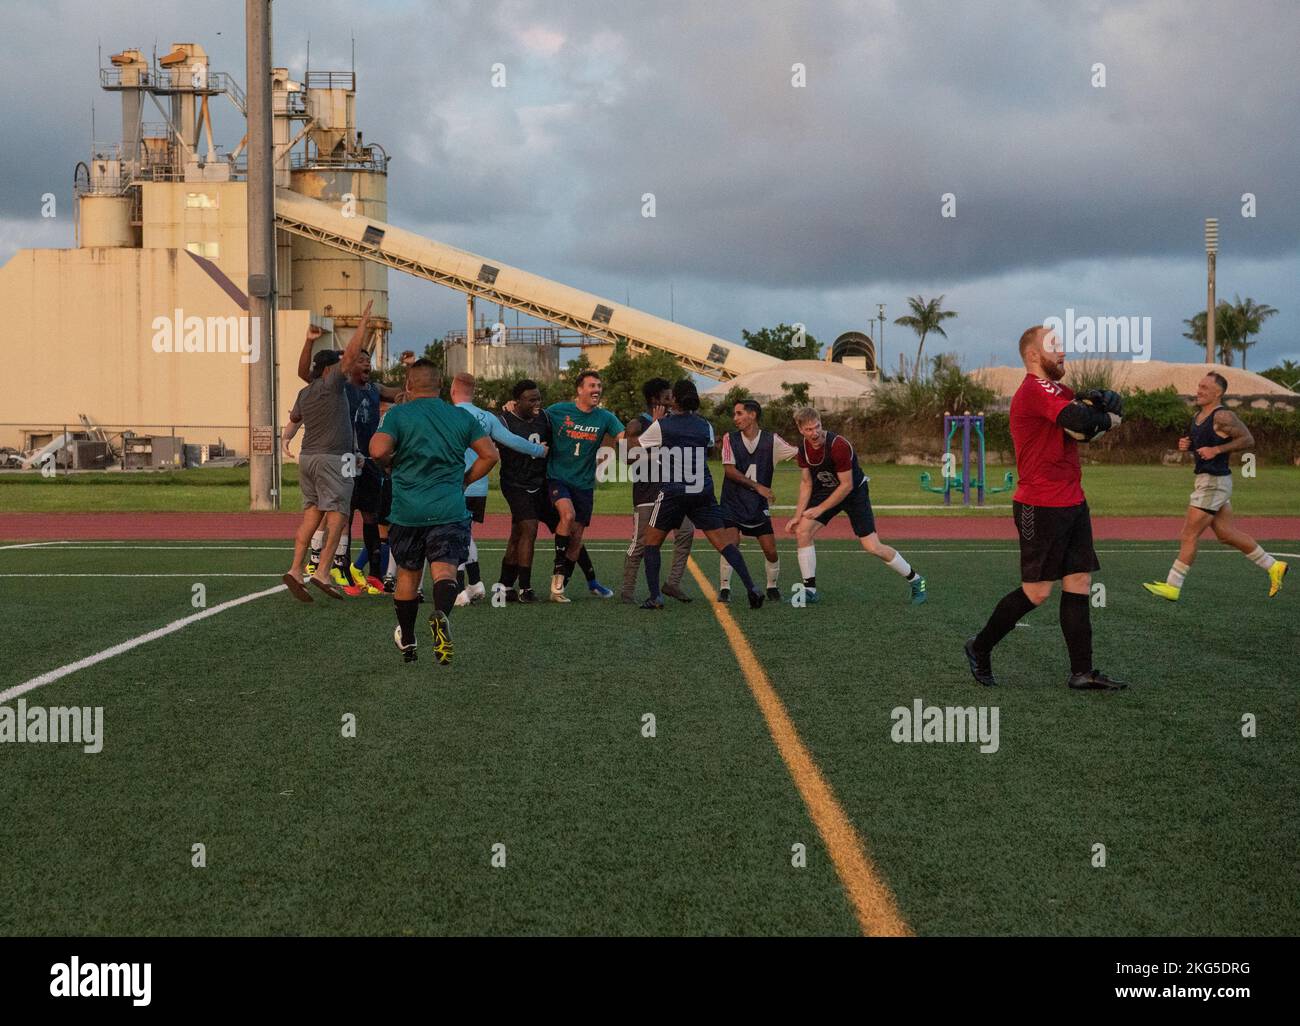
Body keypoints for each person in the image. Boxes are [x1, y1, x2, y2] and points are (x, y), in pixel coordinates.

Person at [964, 325, 1126, 691]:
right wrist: (1108, 417)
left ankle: (1081, 672)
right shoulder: (1034, 390)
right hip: (1040, 504)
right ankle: (979, 646)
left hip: (1072, 500)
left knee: (1080, 581)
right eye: (1055, 347)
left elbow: (1086, 433)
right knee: (1037, 592)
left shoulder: (1061, 391)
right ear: (1033, 354)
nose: (1063, 353)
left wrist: (1102, 420)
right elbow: (1082, 422)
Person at [370, 359, 498, 664]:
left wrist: (389, 464)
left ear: (409, 385)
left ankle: (408, 637)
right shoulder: (459, 416)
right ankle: (441, 614)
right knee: (444, 571)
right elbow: (490, 455)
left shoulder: (398, 414)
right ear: (441, 386)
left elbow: (376, 450)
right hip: (449, 507)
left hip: (407, 510)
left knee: (408, 575)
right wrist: (465, 480)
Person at [1143, 372, 1287, 601]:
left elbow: (1248, 439)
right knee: (1226, 534)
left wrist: (1217, 450)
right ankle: (1274, 565)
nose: (1198, 390)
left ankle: (1173, 586)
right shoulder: (1197, 417)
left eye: (1204, 387)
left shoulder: (1224, 417)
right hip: (1208, 480)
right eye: (1198, 386)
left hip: (1213, 482)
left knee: (1189, 533)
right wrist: (1186, 445)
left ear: (1218, 392)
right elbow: (1201, 446)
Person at [634, 379, 765, 610]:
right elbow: (706, 448)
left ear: (675, 400)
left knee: (651, 543)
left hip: (673, 492)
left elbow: (639, 446)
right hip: (701, 490)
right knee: (724, 544)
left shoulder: (663, 424)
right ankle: (752, 588)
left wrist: (655, 423)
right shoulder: (705, 425)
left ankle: (655, 597)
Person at [787, 407, 927, 606]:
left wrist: (820, 509)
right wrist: (797, 514)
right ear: (800, 429)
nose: (814, 432)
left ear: (821, 423)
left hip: (854, 493)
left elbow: (847, 485)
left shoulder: (838, 445)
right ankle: (809, 590)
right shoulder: (803, 449)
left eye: (817, 426)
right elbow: (806, 483)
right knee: (802, 531)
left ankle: (917, 581)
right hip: (827, 490)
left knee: (872, 546)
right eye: (809, 429)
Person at [280, 304, 373, 601]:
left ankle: (295, 569)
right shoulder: (333, 384)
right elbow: (350, 355)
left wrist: (308, 341)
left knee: (311, 516)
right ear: (330, 370)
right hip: (336, 458)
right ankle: (322, 571)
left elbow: (294, 420)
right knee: (339, 516)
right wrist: (363, 323)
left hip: (308, 458)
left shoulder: (305, 391)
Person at [495, 379, 605, 602]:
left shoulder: (545, 417)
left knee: (568, 528)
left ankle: (506, 586)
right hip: (515, 484)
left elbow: (566, 424)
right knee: (529, 528)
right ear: (516, 402)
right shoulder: (504, 420)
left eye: (539, 398)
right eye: (532, 399)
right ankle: (525, 587)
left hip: (542, 483)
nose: (538, 403)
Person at [448, 372, 548, 606]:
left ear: (453, 391)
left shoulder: (448, 415)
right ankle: (475, 583)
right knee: (465, 532)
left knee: (455, 535)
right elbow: (512, 440)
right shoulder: (486, 417)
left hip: (453, 484)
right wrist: (538, 451)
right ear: (473, 392)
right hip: (478, 486)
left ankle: (461, 588)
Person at [543, 370, 626, 603]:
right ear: (579, 389)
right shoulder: (558, 410)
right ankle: (558, 572)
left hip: (585, 484)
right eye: (592, 385)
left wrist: (647, 436)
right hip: (558, 478)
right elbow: (534, 418)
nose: (596, 390)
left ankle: (559, 588)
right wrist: (510, 408)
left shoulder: (605, 417)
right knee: (567, 516)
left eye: (599, 385)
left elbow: (624, 438)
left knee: (576, 539)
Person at [620, 378, 695, 604]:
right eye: (667, 397)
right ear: (655, 400)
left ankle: (672, 583)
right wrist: (655, 428)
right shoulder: (637, 424)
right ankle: (627, 591)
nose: (672, 401)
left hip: (673, 492)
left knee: (686, 532)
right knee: (641, 543)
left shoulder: (673, 422)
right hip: (647, 493)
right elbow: (627, 457)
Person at [717, 398, 799, 602]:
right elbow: (729, 470)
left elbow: (799, 455)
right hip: (732, 501)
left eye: (739, 413)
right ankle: (725, 588)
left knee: (770, 550)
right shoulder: (730, 438)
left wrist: (820, 453)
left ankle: (772, 586)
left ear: (752, 415)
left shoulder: (772, 440)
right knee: (731, 543)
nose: (735, 418)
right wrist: (758, 486)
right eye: (735, 414)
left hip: (756, 505)